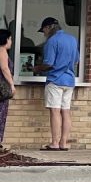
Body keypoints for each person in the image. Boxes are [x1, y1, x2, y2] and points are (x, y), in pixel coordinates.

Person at [36, 17, 78, 151]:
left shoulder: (52, 41)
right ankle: (63, 143)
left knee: (55, 111)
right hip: (69, 80)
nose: (44, 34)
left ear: (48, 28)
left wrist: (36, 68)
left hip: (55, 80)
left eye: (43, 31)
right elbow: (76, 60)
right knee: (65, 111)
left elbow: (48, 63)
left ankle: (54, 143)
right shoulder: (72, 39)